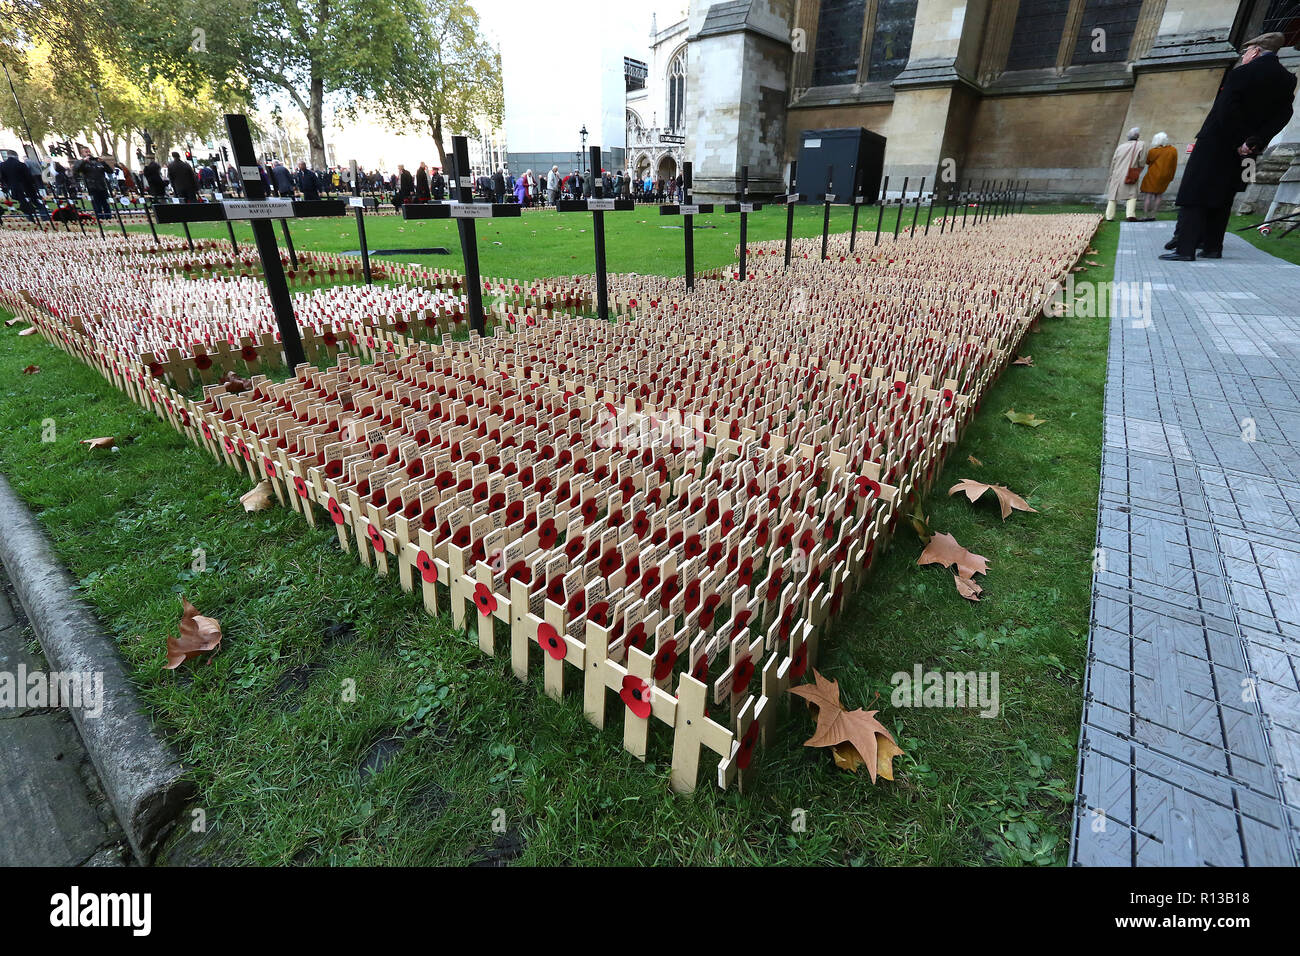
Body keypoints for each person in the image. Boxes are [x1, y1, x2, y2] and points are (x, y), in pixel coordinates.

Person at [1163, 32, 1296, 261]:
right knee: (1225, 196)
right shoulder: (1287, 79)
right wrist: (1254, 141)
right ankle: (1213, 248)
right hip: (1250, 151)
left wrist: (1238, 141)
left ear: (1255, 51)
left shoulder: (1241, 74)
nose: (1244, 55)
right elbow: (1283, 115)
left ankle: (1184, 249)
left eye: (1247, 51)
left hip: (1217, 143)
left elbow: (1226, 109)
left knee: (1195, 193)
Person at [1103, 127, 1145, 221]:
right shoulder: (1141, 145)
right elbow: (1142, 161)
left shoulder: (1120, 146)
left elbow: (1113, 162)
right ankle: (1130, 215)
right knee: (1132, 194)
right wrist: (1138, 170)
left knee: (1113, 195)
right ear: (1137, 136)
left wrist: (1111, 175)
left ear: (1128, 137)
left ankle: (1109, 216)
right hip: (1130, 173)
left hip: (1117, 173)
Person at [1138, 132, 1178, 221]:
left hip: (1153, 175)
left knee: (1148, 195)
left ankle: (1145, 215)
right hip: (1165, 176)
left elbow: (1148, 161)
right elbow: (1174, 164)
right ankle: (1153, 214)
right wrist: (1171, 176)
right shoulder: (1173, 150)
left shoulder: (1153, 151)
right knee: (1159, 195)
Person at [1, 149, 45, 221]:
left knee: (23, 204)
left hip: (14, 188)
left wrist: (8, 185)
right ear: (15, 156)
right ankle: (45, 218)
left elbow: (3, 178)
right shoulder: (20, 164)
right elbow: (28, 177)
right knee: (37, 202)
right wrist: (34, 185)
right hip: (26, 187)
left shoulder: (2, 165)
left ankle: (31, 220)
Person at [75, 152, 115, 217]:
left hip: (102, 186)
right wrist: (84, 161)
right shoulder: (84, 165)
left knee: (106, 202)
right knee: (96, 203)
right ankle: (99, 216)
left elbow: (110, 171)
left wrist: (103, 162)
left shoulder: (99, 163)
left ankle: (108, 216)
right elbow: (77, 170)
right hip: (92, 186)